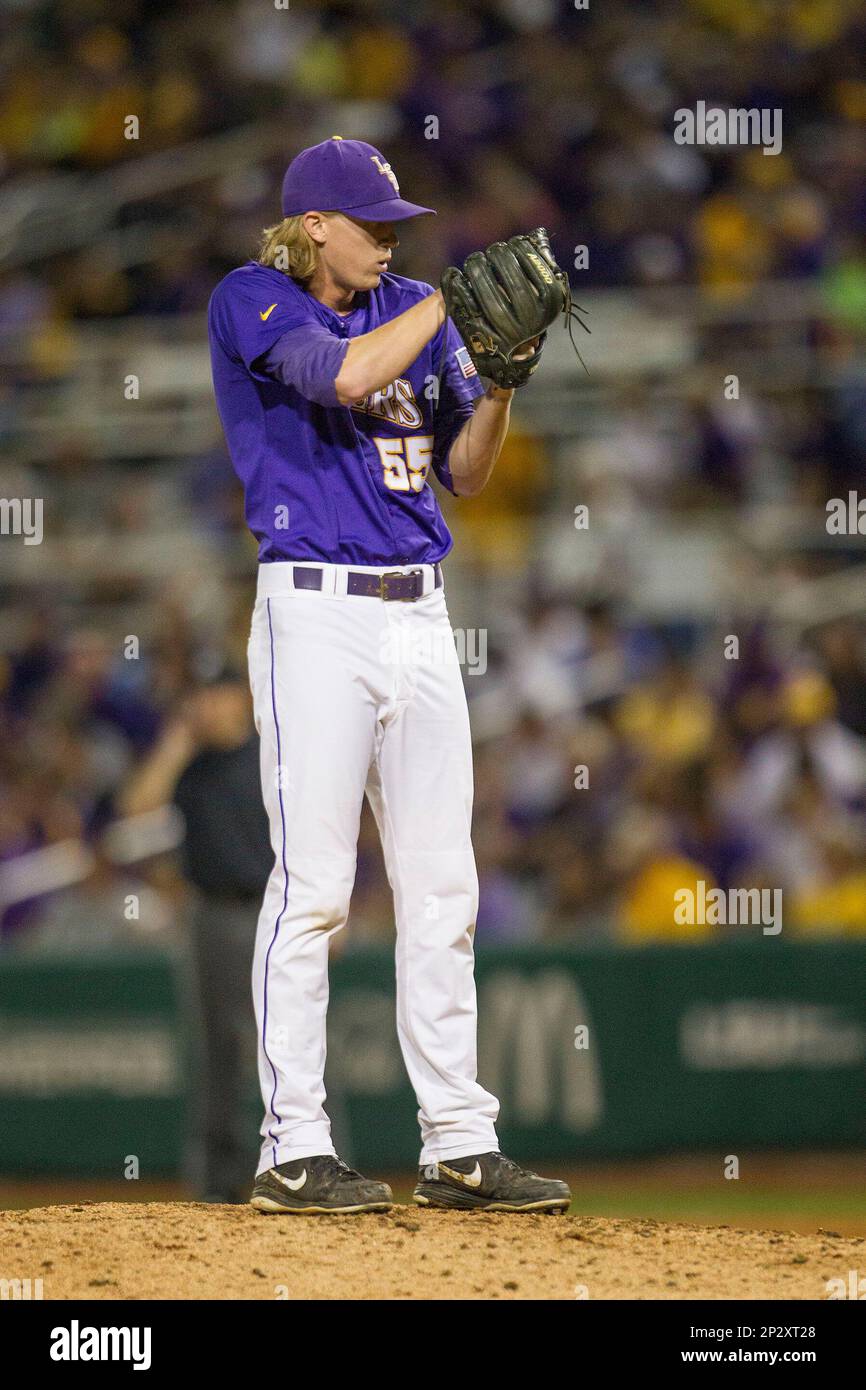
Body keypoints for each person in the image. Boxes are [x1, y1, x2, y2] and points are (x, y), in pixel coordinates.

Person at [207, 137, 570, 1214]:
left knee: (443, 889)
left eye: (399, 225)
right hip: (312, 614)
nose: (391, 240)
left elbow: (465, 469)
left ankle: (458, 1140)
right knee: (314, 891)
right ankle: (292, 1147)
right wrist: (451, 308)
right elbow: (344, 374)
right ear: (313, 223)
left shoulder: (413, 301)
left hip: (421, 615)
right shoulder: (252, 296)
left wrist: (498, 384)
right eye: (372, 223)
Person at [119, 668, 271, 1202]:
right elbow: (135, 810)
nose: (204, 705)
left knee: (298, 1045)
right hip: (214, 914)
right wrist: (176, 744)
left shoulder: (275, 749)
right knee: (218, 1053)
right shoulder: (193, 766)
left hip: (280, 911)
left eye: (215, 694)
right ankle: (217, 1186)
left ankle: (314, 1162)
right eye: (198, 694)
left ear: (242, 697)